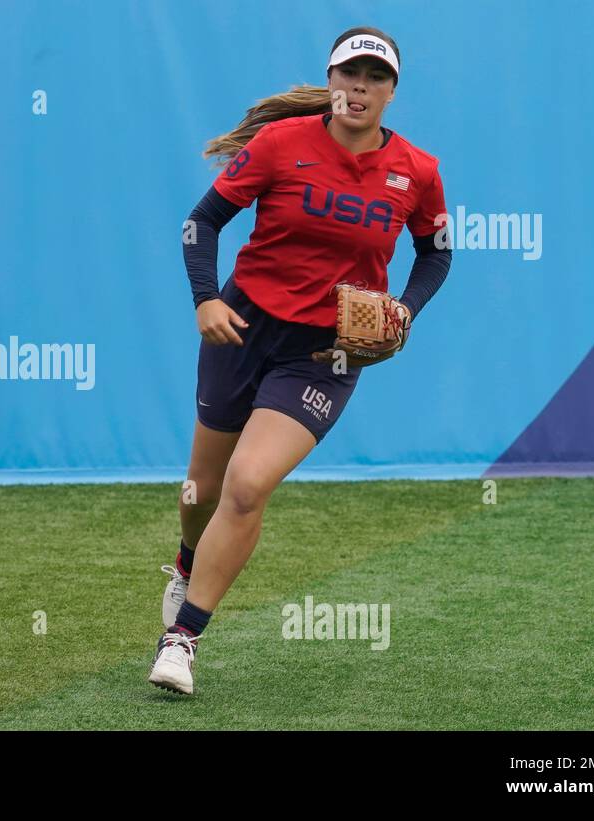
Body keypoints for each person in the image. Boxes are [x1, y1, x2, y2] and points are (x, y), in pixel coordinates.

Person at [149, 26, 452, 695]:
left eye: (375, 78)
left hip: (326, 354)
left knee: (249, 485)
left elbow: (436, 253)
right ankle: (186, 562)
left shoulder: (418, 172)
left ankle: (184, 638)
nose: (360, 88)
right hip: (242, 326)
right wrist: (204, 300)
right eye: (350, 74)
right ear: (332, 79)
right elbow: (202, 223)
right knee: (201, 487)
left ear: (392, 92)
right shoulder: (280, 144)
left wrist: (404, 308)